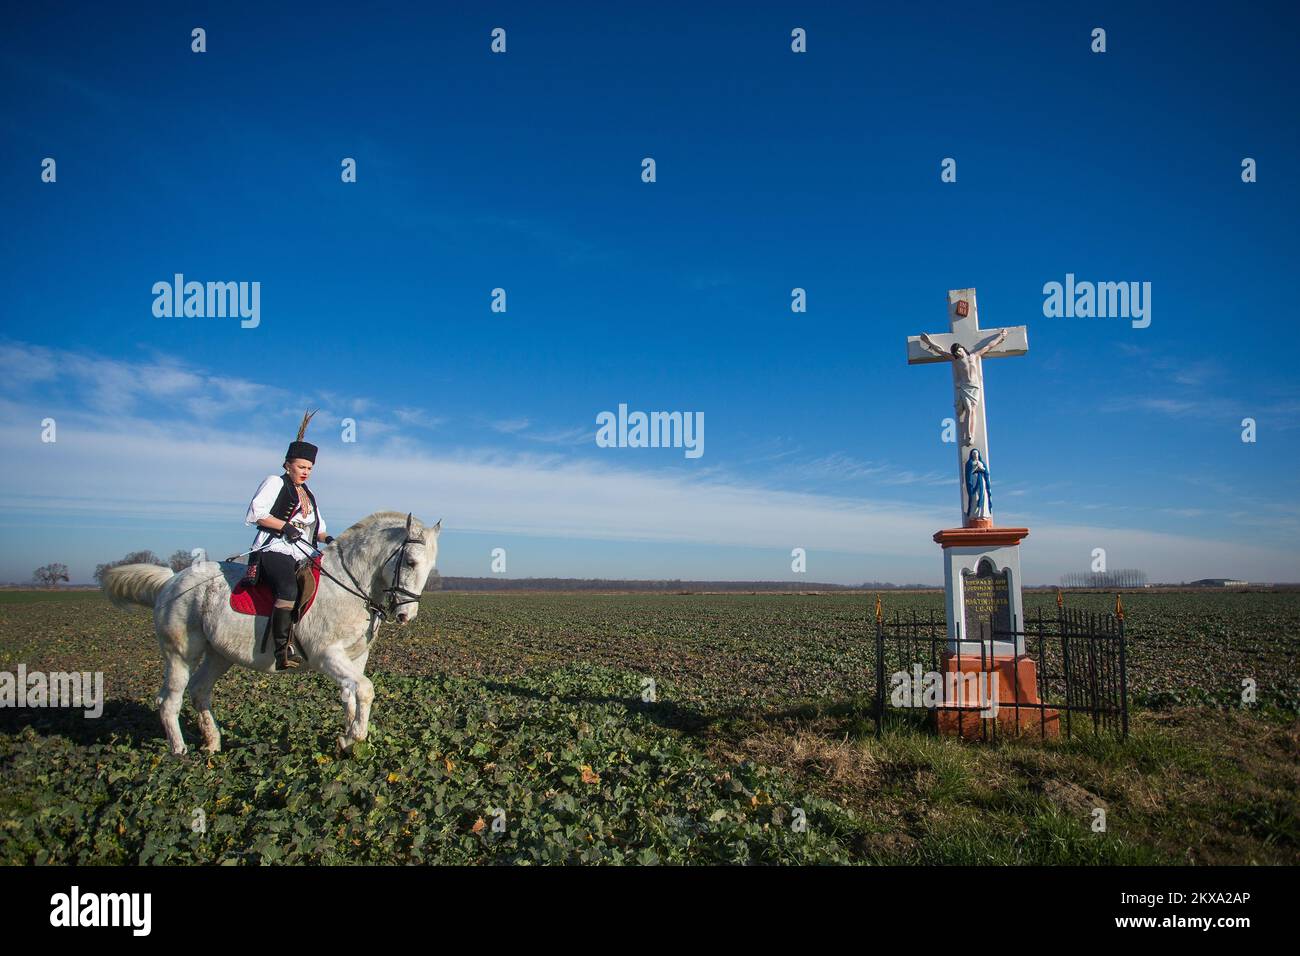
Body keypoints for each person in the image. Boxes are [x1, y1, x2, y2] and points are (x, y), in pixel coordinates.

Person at [244, 410, 335, 669]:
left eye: (309, 468)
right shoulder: (275, 482)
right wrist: (284, 527)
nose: (306, 472)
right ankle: (281, 651)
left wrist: (330, 539)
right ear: (288, 465)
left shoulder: (309, 493)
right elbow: (256, 513)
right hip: (273, 547)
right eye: (301, 467)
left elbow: (318, 528)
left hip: (303, 551)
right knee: (288, 588)